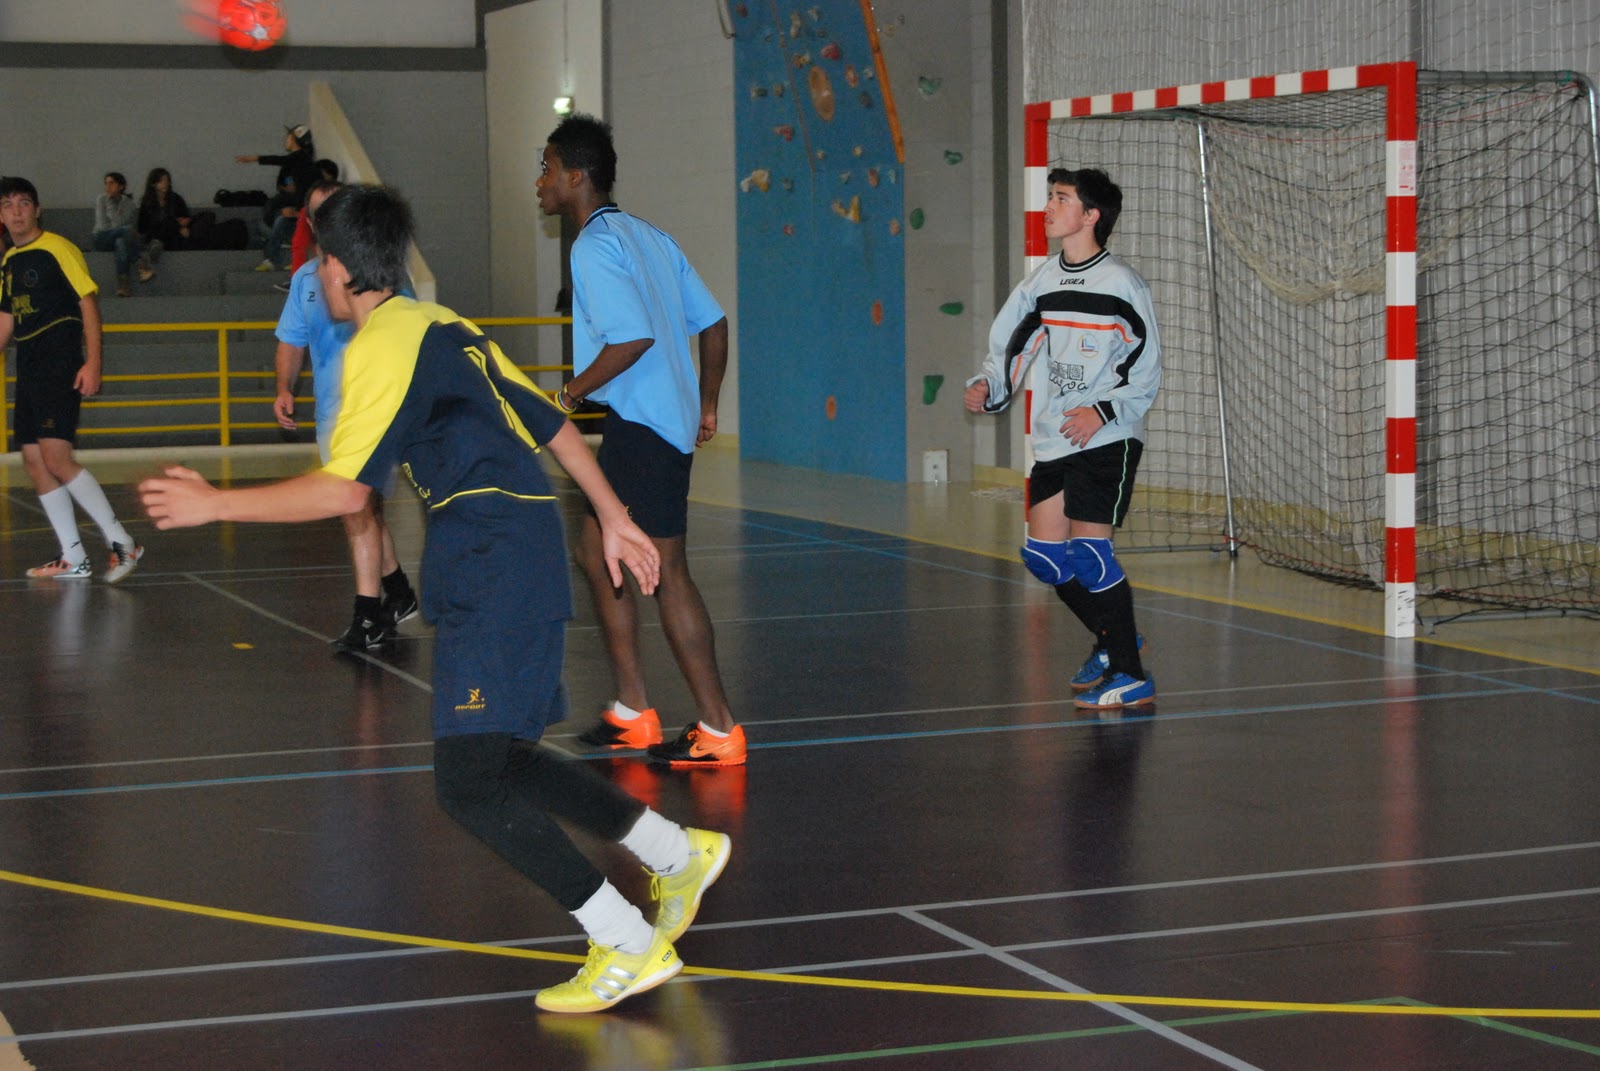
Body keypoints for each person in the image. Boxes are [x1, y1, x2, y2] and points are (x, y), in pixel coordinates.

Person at [139, 183, 729, 1014]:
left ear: (338, 270)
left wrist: (216, 503)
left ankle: (624, 939)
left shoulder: (385, 344)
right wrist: (614, 514)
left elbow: (347, 492)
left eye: (315, 270)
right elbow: (549, 422)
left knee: (468, 783)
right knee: (506, 757)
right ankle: (675, 851)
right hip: (508, 555)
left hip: (493, 562)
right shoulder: (443, 325)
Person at [536, 114, 745, 768]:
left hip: (644, 425)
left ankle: (718, 728)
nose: (538, 182)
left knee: (666, 570)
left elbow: (631, 339)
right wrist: (704, 404)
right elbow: (713, 324)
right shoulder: (649, 237)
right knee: (596, 550)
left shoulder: (593, 248)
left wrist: (568, 393)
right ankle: (632, 710)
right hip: (658, 421)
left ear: (576, 176)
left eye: (545, 168)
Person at [964, 167, 1160, 710]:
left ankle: (1129, 671)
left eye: (1061, 198)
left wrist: (1102, 410)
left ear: (1091, 216)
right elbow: (1013, 345)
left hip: (1107, 436)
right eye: (1050, 196)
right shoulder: (1042, 280)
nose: (1049, 206)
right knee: (1046, 560)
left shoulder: (1122, 283)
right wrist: (988, 384)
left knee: (1092, 556)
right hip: (1054, 439)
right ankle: (1114, 638)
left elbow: (1145, 364)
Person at [273, 179, 420, 651]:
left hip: (373, 410)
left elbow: (409, 336)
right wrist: (283, 388)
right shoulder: (304, 281)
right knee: (360, 507)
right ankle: (397, 591)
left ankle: (368, 612)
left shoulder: (381, 274)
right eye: (319, 214)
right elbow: (291, 340)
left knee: (354, 504)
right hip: (330, 415)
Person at [0, 176, 145, 582]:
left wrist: (93, 361)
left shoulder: (58, 249)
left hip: (59, 363)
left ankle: (122, 542)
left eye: (23, 203)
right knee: (33, 460)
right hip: (28, 368)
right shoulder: (10, 261)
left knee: (56, 458)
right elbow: (7, 319)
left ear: (37, 209)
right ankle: (73, 557)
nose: (16, 212)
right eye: (7, 205)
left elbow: (88, 302)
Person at [236, 124, 319, 271]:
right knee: (281, 221)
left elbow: (279, 160)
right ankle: (273, 260)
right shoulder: (301, 160)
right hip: (302, 211)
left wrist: (252, 158)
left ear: (295, 139)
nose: (286, 139)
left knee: (284, 223)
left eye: (289, 136)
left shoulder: (301, 158)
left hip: (308, 216)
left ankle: (293, 262)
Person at [90, 171, 150, 297]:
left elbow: (118, 223)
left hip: (119, 238)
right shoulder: (101, 199)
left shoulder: (129, 204)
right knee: (126, 230)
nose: (107, 187)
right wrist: (110, 203)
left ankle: (123, 285)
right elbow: (102, 226)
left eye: (111, 183)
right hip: (101, 238)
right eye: (106, 183)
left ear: (121, 186)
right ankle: (140, 264)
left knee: (120, 242)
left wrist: (112, 208)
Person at [137, 167, 192, 256]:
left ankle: (157, 246)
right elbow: (142, 226)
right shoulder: (147, 202)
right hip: (153, 234)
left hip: (172, 235)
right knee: (166, 224)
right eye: (161, 181)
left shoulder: (176, 199)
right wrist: (177, 225)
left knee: (171, 227)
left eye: (166, 180)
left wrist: (179, 226)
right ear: (153, 184)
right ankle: (156, 245)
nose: (164, 183)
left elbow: (186, 218)